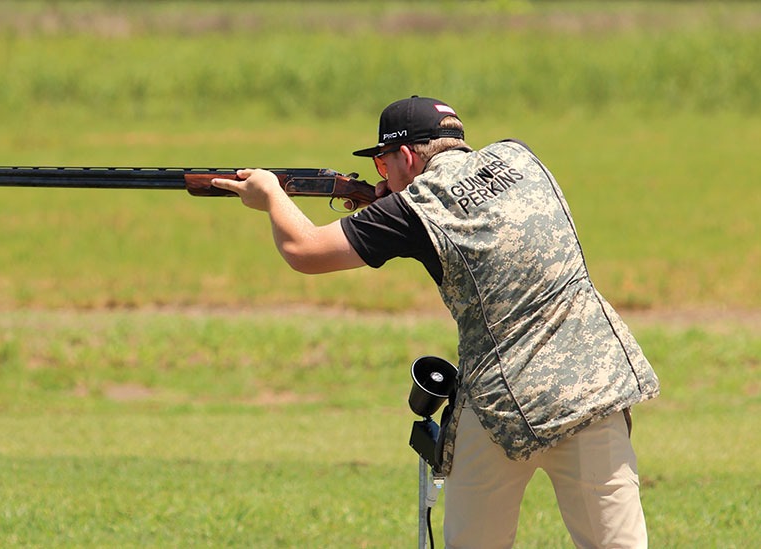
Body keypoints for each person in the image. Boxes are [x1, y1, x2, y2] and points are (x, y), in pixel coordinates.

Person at [211, 95, 660, 549]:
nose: (382, 177)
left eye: (384, 166)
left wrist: (270, 195)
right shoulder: (520, 156)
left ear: (405, 157)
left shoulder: (415, 208)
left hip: (503, 404)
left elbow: (304, 251)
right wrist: (394, 201)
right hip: (596, 386)